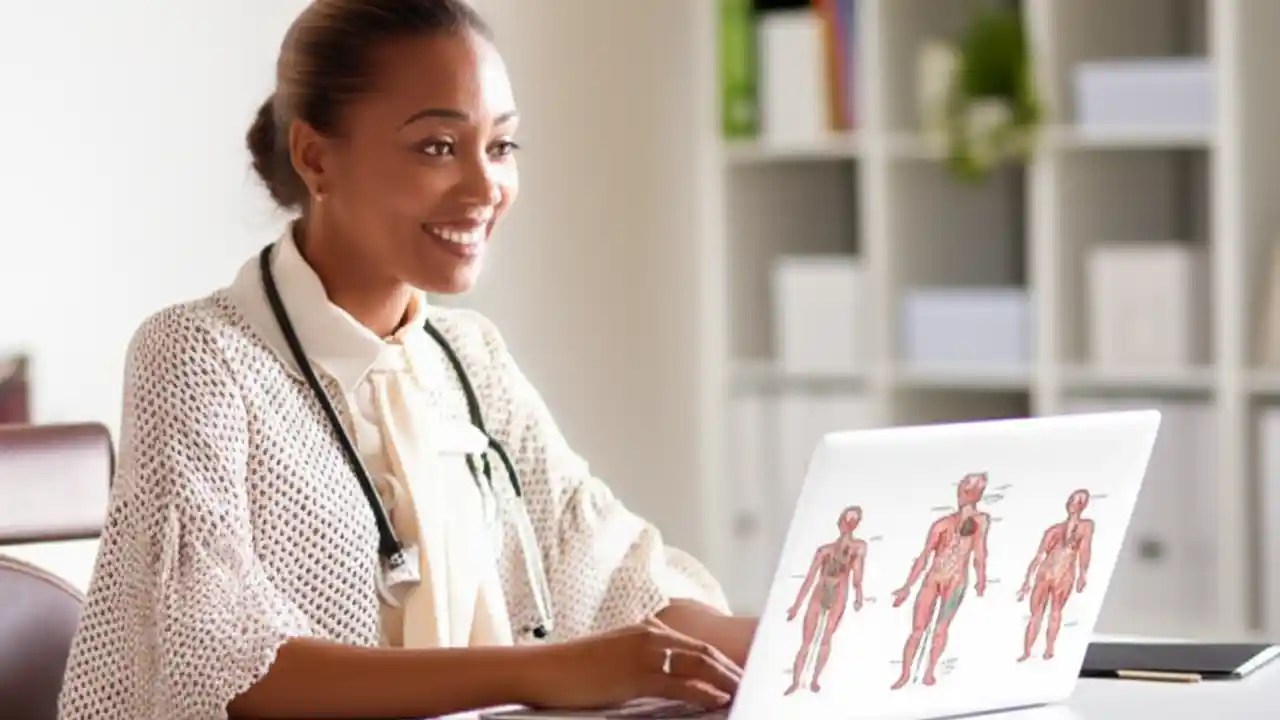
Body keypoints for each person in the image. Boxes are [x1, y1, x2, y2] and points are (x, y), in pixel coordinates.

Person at [56, 2, 756, 718]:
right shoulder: (200, 356)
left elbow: (615, 580)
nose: (486, 189)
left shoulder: (469, 359)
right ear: (316, 157)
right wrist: (536, 672)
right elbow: (221, 661)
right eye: (437, 147)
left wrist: (803, 639)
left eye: (502, 147)